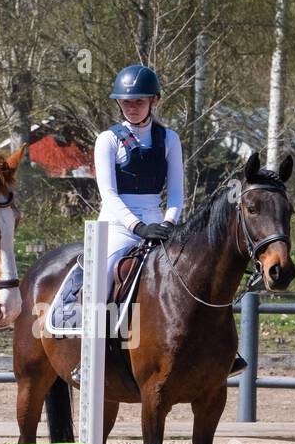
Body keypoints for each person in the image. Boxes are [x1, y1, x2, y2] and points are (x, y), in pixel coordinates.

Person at [91, 64, 247, 376]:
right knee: (104, 274)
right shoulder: (107, 140)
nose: (132, 107)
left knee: (199, 271)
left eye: (139, 101)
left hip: (161, 223)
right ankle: (92, 356)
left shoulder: (169, 139)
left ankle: (223, 350)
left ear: (154, 101)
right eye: (126, 102)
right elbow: (108, 193)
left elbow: (176, 193)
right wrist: (137, 227)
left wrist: (169, 223)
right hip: (118, 224)